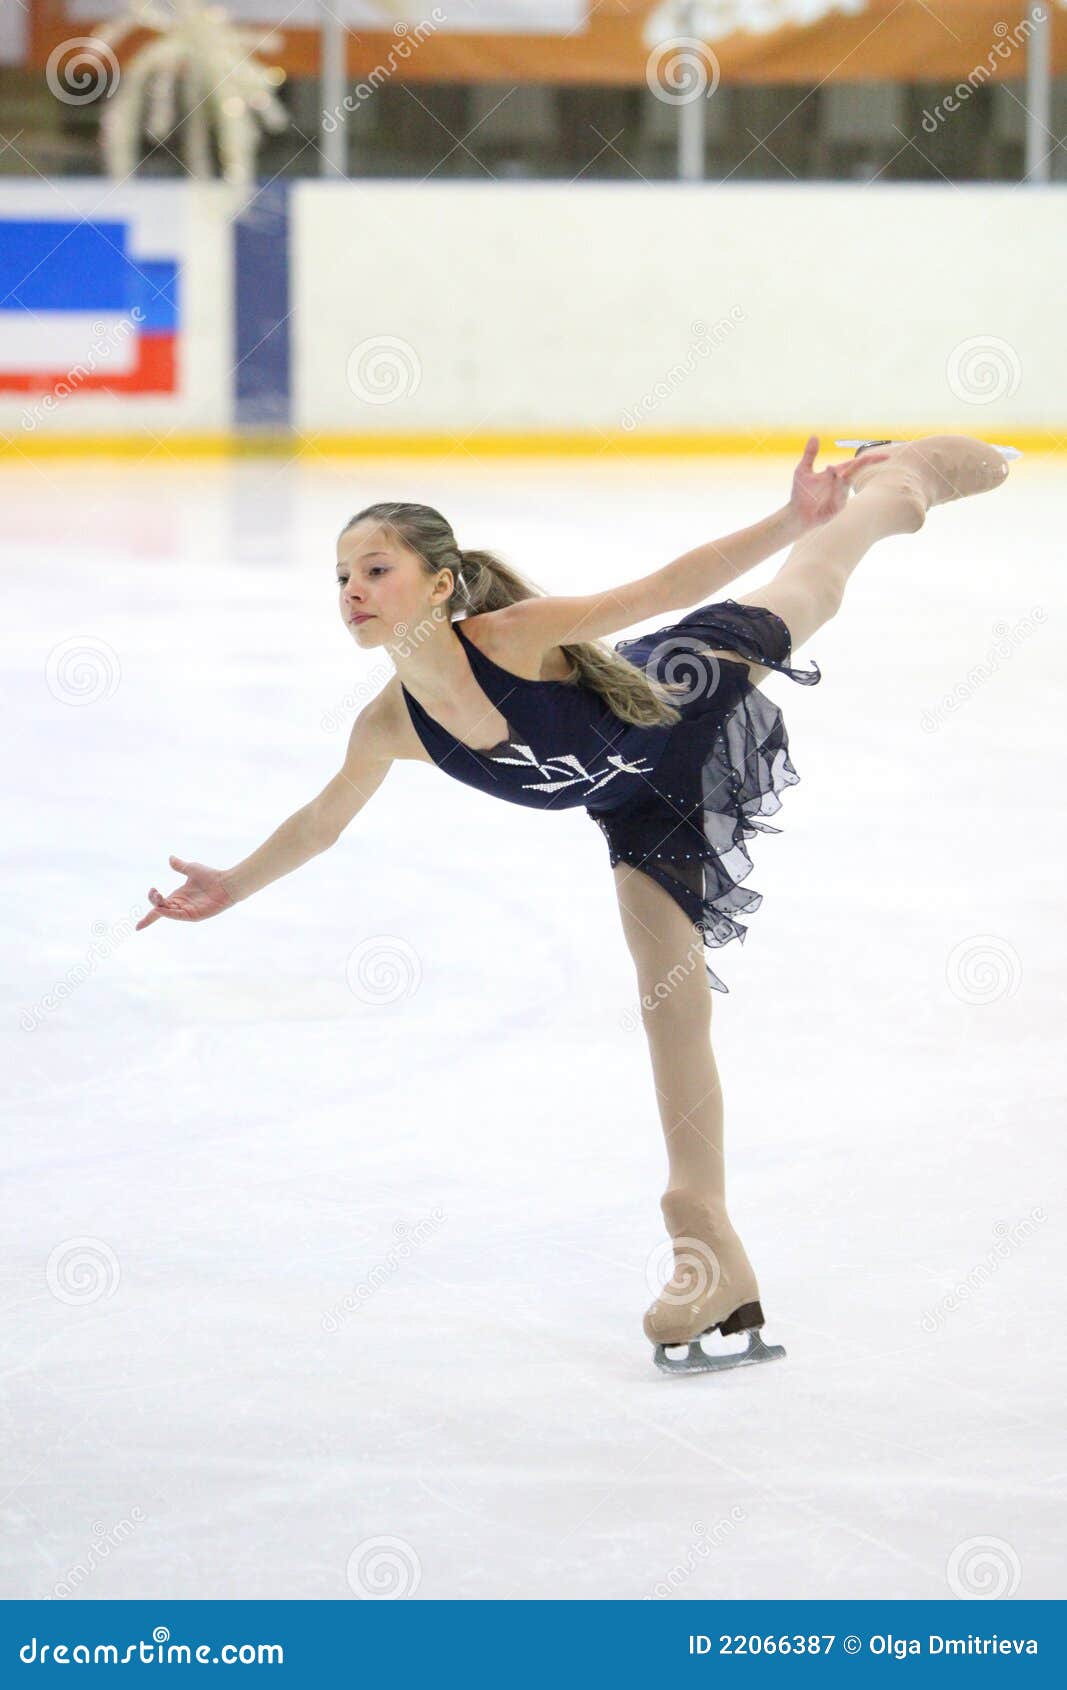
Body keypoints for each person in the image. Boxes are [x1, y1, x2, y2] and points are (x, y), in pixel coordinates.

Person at [136, 435, 1011, 1375]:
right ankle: (706, 1243)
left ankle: (898, 483)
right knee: (669, 1002)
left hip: (677, 687)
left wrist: (792, 517)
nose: (353, 588)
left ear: (439, 585)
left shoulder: (511, 638)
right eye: (342, 575)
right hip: (639, 805)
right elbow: (321, 822)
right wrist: (232, 884)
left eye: (376, 569)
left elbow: (664, 587)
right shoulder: (390, 726)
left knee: (811, 587)